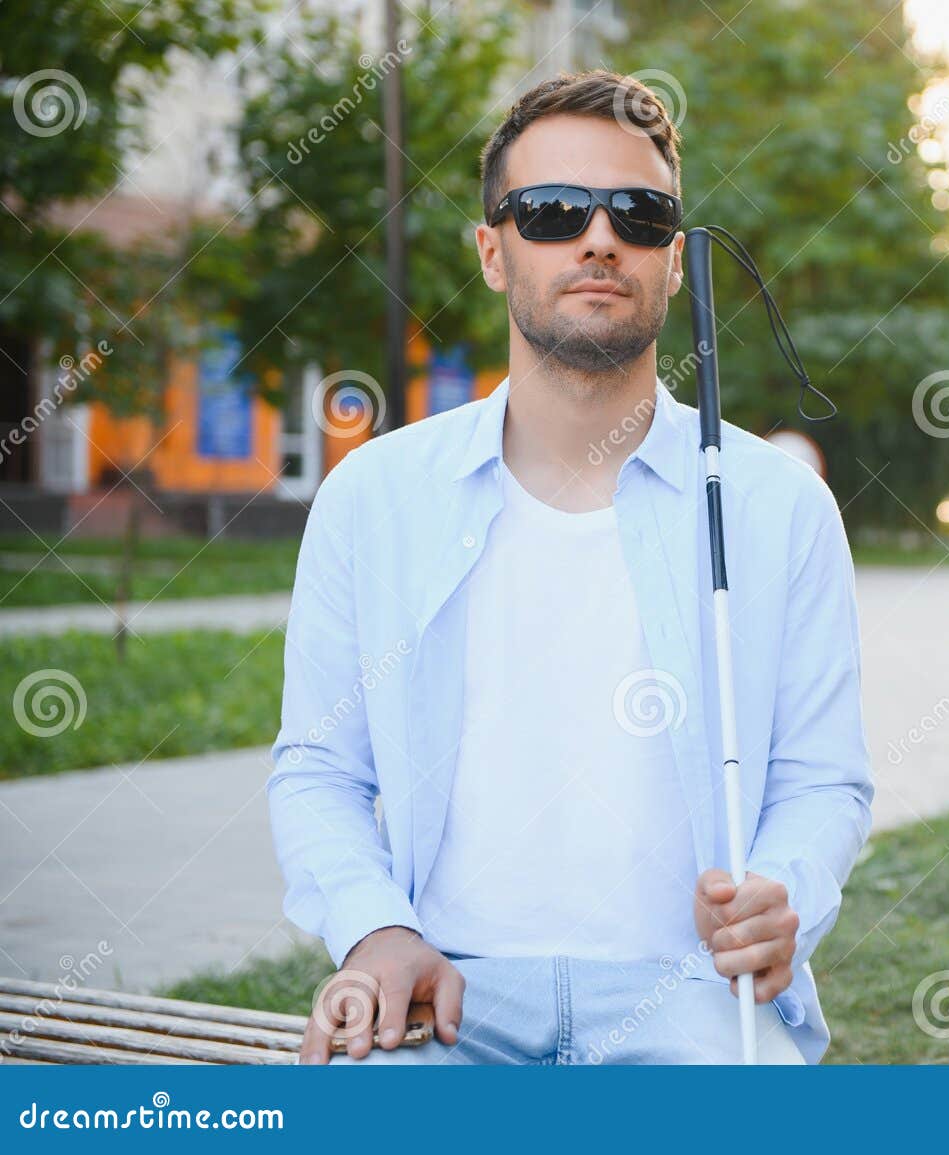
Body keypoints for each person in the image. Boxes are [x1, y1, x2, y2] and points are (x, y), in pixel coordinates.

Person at [267, 70, 873, 1065]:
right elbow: (320, 768)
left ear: (675, 263)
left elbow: (822, 778)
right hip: (446, 989)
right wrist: (376, 931)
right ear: (493, 251)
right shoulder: (373, 497)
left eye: (638, 215)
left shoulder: (779, 506)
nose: (598, 239)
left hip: (695, 995)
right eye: (551, 212)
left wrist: (785, 895)